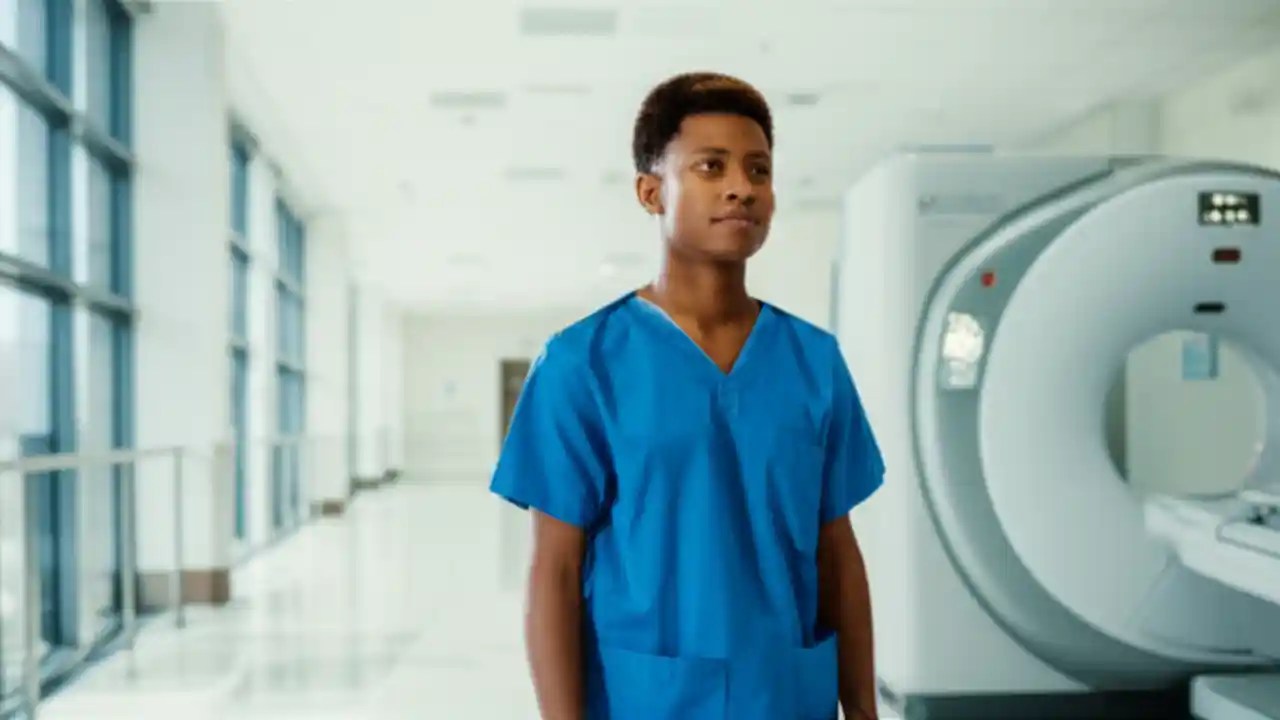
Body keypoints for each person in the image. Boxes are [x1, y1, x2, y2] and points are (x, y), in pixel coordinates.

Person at [490, 71, 885, 720]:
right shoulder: (583, 363)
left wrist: (863, 711)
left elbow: (837, 553)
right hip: (647, 699)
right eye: (711, 166)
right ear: (651, 192)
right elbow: (554, 572)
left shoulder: (813, 361)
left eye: (759, 170)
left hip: (786, 693)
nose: (741, 187)